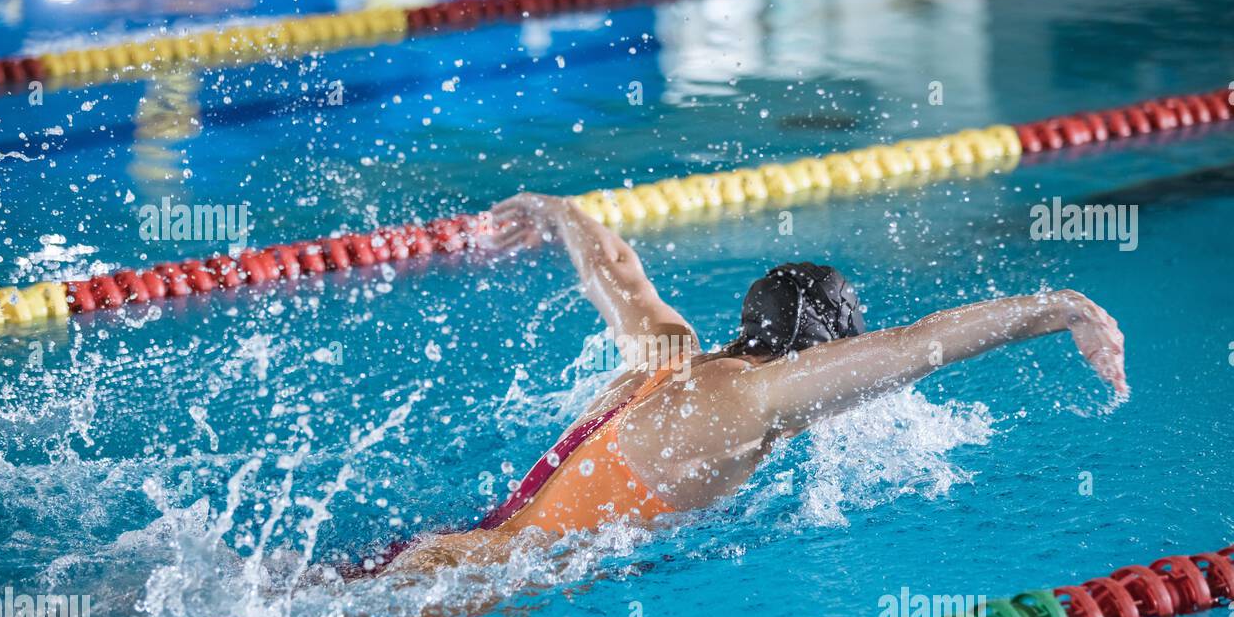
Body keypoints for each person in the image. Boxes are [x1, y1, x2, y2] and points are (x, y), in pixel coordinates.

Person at [382, 192, 1127, 573]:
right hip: (475, 590)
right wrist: (1058, 308)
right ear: (815, 358)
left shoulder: (669, 354)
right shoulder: (752, 400)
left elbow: (619, 271)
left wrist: (555, 211)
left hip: (447, 547)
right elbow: (914, 347)